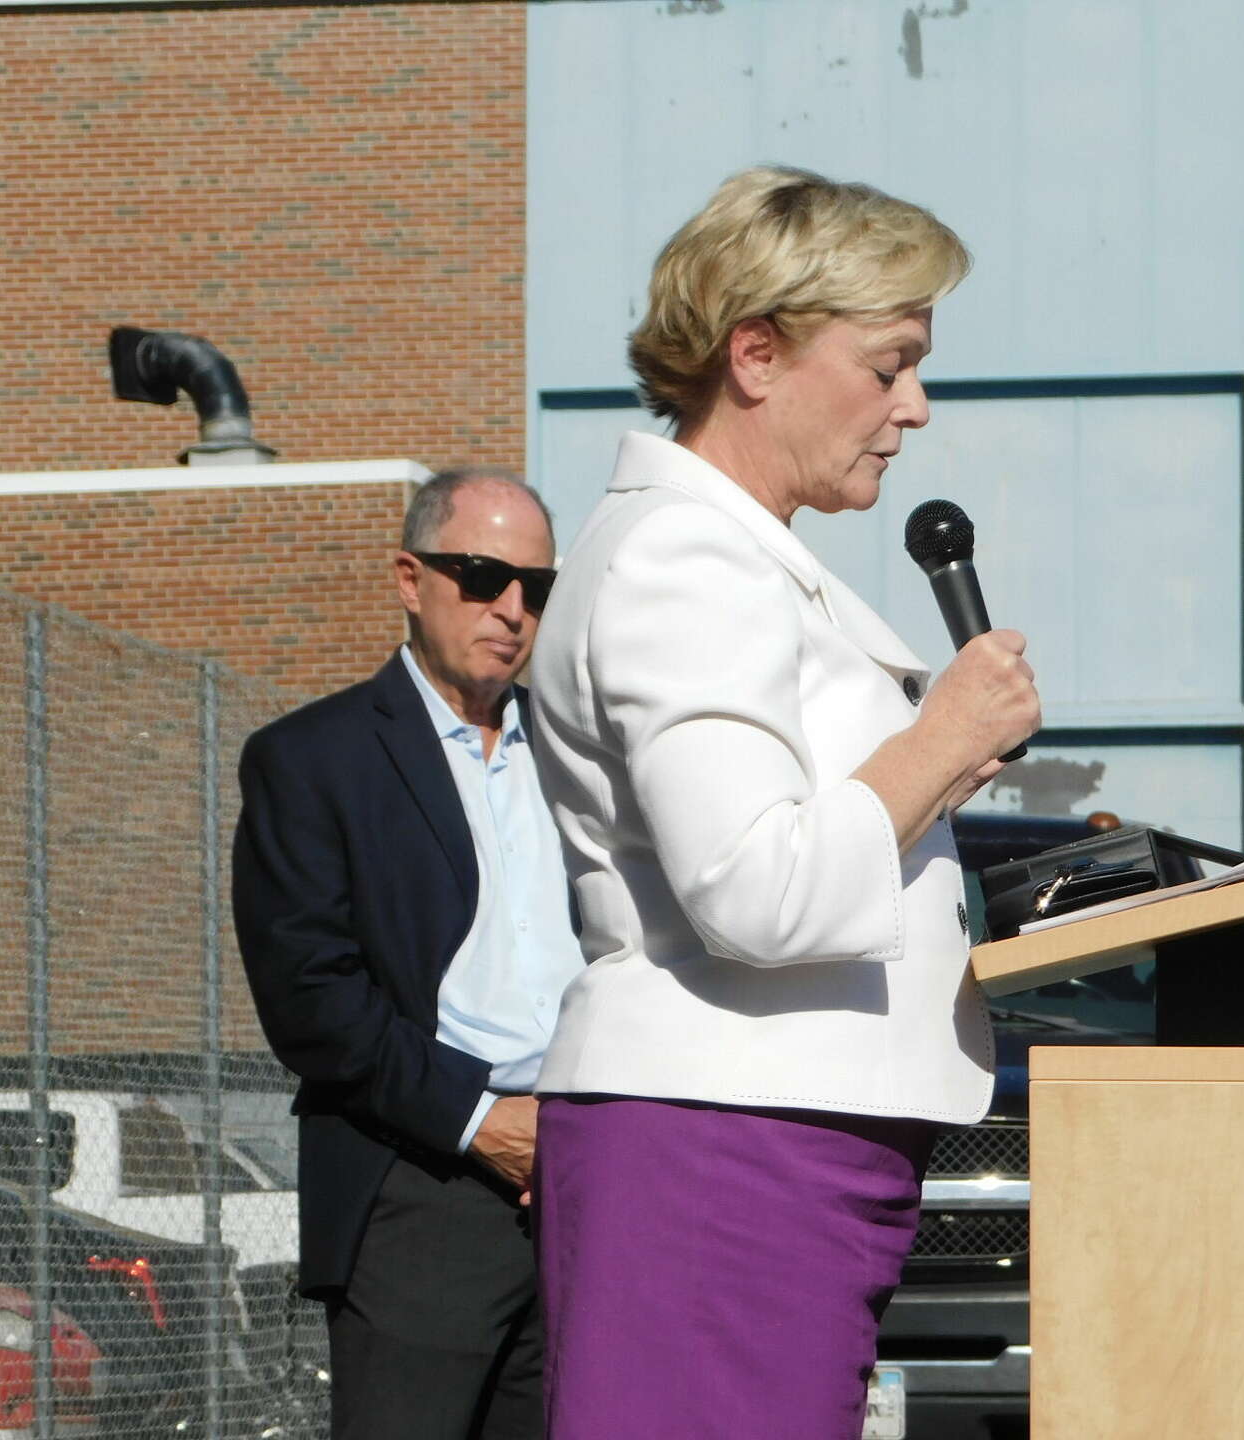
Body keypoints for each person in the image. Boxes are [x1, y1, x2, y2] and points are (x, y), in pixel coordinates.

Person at [525, 166, 1042, 1438]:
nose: (914, 406)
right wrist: (942, 741)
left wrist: (939, 764)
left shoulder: (730, 553)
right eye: (889, 365)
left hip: (764, 1140)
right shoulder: (687, 557)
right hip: (728, 1154)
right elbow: (756, 888)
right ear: (755, 354)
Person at [232, 467, 578, 1440]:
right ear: (408, 577)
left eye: (536, 589)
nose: (512, 610)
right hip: (422, 1189)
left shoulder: (581, 758)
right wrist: (481, 1120)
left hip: (578, 1185)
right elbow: (312, 1001)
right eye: (481, 576)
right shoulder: (312, 759)